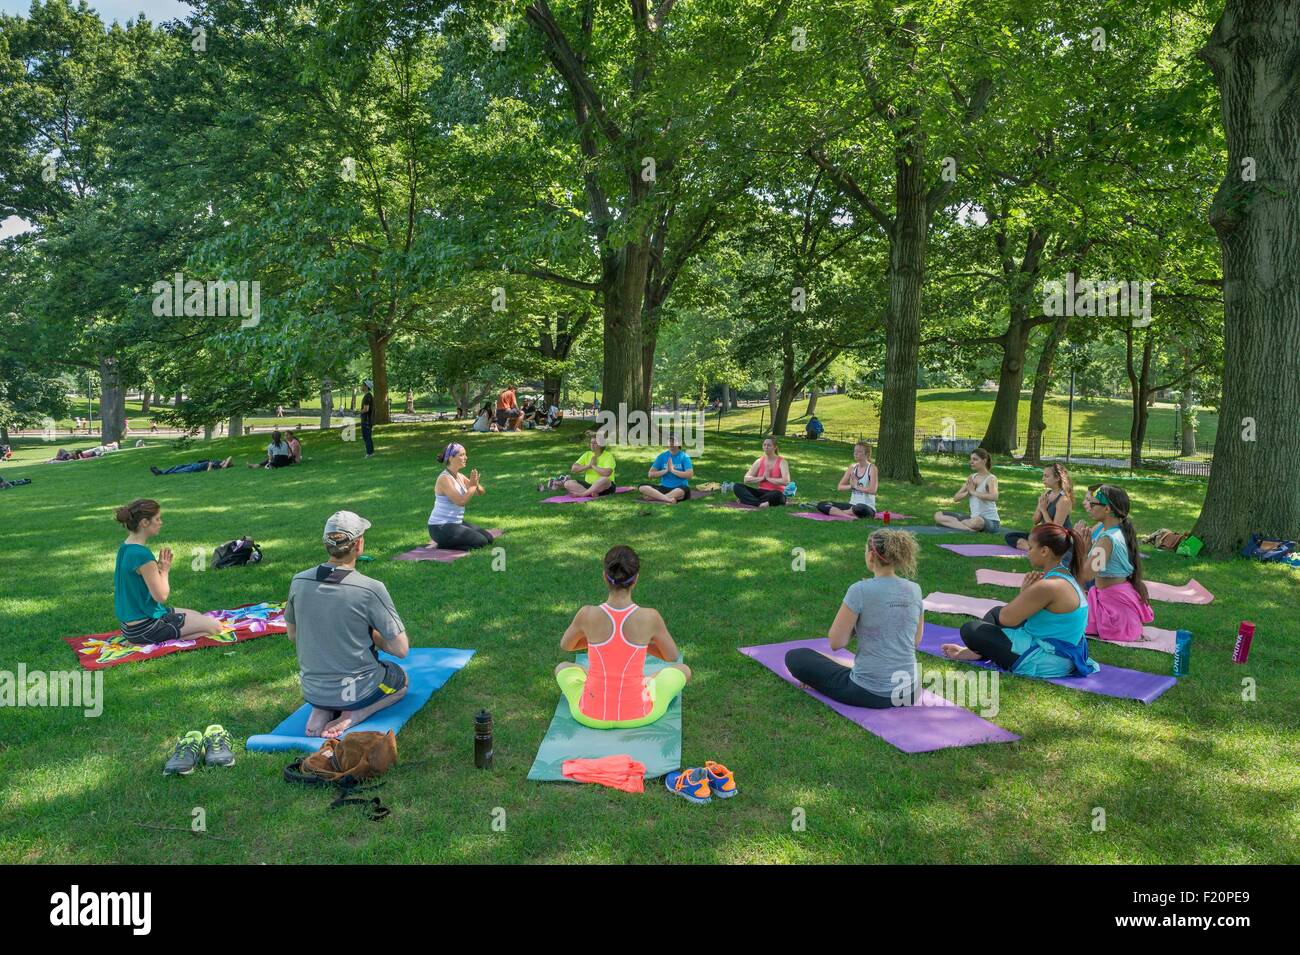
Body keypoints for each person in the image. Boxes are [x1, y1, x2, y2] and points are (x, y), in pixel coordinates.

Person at [286, 511, 410, 739]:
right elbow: (401, 649)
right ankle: (356, 713)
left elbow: (293, 635)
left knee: (331, 678)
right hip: (355, 693)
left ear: (326, 544)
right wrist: (372, 634)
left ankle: (321, 709)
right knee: (400, 680)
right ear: (359, 544)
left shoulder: (299, 581)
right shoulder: (369, 588)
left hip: (313, 690)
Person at [554, 545, 690, 728]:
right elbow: (672, 656)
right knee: (683, 670)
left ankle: (639, 683)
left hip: (589, 714)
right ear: (635, 580)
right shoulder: (650, 617)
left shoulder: (587, 614)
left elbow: (567, 645)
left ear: (605, 577)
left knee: (562, 667)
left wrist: (597, 642)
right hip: (639, 715)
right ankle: (647, 682)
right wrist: (642, 643)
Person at [785, 530, 923, 707]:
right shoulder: (914, 589)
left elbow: (836, 642)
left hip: (869, 692)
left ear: (871, 555)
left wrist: (858, 623)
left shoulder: (860, 590)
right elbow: (915, 640)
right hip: (910, 691)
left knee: (796, 656)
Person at [942, 523, 1099, 678]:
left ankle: (977, 651)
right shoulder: (1065, 575)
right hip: (1064, 655)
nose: (1028, 553)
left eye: (1031, 548)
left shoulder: (1048, 586)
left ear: (1044, 551)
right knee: (995, 612)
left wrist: (1024, 593)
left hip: (1046, 660)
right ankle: (978, 652)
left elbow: (1007, 619)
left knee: (970, 629)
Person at [112, 499, 224, 645]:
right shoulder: (142, 555)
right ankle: (146, 641)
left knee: (197, 616)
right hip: (145, 628)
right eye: (157, 519)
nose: (161, 522)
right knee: (215, 627)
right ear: (144, 522)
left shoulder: (125, 547)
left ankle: (150, 638)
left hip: (131, 626)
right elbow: (161, 596)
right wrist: (164, 571)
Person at [1075, 484, 1154, 642]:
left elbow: (1087, 575)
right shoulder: (1115, 531)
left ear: (1107, 509)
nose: (1090, 506)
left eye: (1094, 503)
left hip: (1114, 605)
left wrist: (1081, 549)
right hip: (1112, 598)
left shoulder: (1107, 538)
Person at [428, 443, 494, 550]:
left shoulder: (460, 476)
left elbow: (480, 492)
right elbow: (461, 501)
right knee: (481, 542)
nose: (466, 457)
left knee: (489, 538)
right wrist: (472, 486)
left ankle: (449, 543)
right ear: (451, 457)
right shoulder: (444, 479)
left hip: (455, 523)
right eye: (462, 455)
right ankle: (444, 545)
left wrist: (476, 483)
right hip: (440, 527)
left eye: (465, 454)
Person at [1005, 463, 1073, 550]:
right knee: (1010, 536)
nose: (1043, 479)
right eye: (1043, 476)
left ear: (1057, 478)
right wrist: (1040, 508)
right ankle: (1035, 549)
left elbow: (1055, 529)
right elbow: (1035, 520)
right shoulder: (1046, 494)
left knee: (1031, 539)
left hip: (1058, 539)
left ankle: (1036, 549)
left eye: (1046, 476)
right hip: (1045, 535)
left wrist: (1043, 510)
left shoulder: (1064, 500)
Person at [934, 448, 1000, 532]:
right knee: (938, 515)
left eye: (975, 459)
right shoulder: (972, 477)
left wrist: (973, 492)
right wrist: (968, 493)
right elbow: (956, 498)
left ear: (984, 461)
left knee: (977, 522)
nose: (971, 462)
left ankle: (959, 524)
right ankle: (968, 528)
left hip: (990, 521)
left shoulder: (991, 478)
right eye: (971, 459)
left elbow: (994, 497)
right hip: (972, 517)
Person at [815, 440, 878, 518]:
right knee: (822, 504)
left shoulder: (872, 468)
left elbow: (873, 491)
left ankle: (839, 512)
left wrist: (856, 487)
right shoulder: (852, 467)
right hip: (851, 505)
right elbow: (840, 487)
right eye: (855, 451)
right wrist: (851, 486)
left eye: (859, 451)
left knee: (859, 508)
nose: (856, 453)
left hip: (866, 508)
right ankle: (849, 516)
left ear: (867, 454)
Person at [734, 437, 790, 507]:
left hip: (775, 492)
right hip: (761, 492)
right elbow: (746, 479)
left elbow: (786, 481)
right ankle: (759, 503)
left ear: (775, 447)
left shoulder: (782, 462)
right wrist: (762, 478)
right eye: (764, 445)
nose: (766, 447)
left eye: (769, 445)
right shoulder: (759, 461)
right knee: (737, 486)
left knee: (778, 495)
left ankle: (747, 500)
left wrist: (768, 478)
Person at [639, 434, 693, 503]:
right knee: (642, 487)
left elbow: (690, 475)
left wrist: (673, 470)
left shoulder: (684, 457)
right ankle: (667, 499)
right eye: (669, 441)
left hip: (679, 488)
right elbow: (650, 474)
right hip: (664, 487)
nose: (671, 443)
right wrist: (665, 470)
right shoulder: (662, 457)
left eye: (673, 441)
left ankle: (656, 497)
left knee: (682, 491)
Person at [564, 433, 617, 498]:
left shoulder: (608, 456)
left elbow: (607, 473)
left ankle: (582, 494)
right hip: (589, 485)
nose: (592, 445)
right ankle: (592, 493)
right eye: (591, 443)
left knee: (604, 479)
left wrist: (593, 466)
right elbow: (574, 468)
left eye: (595, 443)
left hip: (605, 486)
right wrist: (588, 466)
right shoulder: (587, 454)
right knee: (567, 483)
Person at [151, 457, 234, 475]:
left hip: (197, 468)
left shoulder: (218, 467)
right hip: (195, 464)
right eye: (225, 460)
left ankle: (160, 473)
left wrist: (209, 466)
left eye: (225, 461)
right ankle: (161, 471)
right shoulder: (218, 461)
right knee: (177, 467)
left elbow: (208, 473)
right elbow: (230, 457)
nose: (224, 460)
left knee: (179, 471)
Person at [359, 379, 375, 457]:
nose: (361, 386)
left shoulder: (367, 397)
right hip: (368, 420)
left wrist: (359, 412)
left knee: (366, 436)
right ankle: (371, 452)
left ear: (366, 387)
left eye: (362, 385)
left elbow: (366, 409)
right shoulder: (368, 396)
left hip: (366, 420)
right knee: (367, 436)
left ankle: (369, 453)